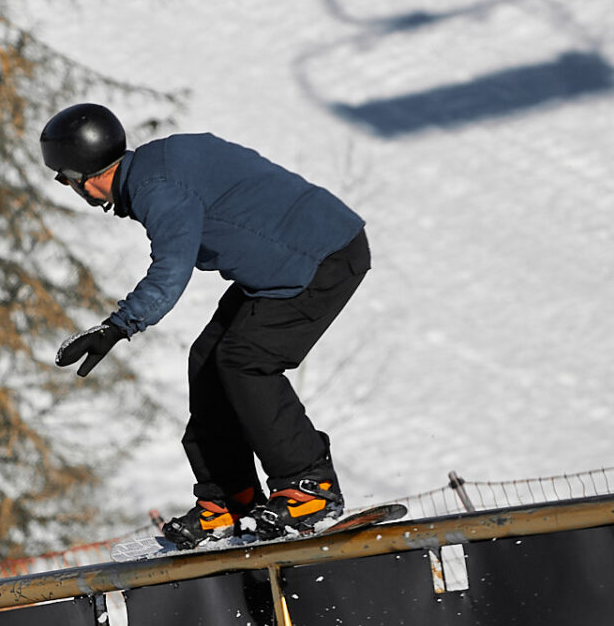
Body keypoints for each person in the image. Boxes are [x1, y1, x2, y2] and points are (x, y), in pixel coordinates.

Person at [39, 103, 370, 547]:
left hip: (320, 259)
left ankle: (310, 487)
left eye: (66, 180)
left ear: (84, 176)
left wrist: (117, 327)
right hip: (284, 264)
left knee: (244, 360)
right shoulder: (156, 165)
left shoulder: (156, 188)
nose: (71, 190)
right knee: (208, 359)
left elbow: (171, 270)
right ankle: (231, 500)